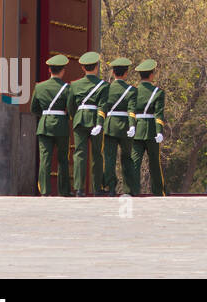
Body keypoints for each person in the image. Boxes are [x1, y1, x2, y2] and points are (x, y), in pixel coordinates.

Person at [31, 53, 73, 197]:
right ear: (62, 71)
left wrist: (45, 115)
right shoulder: (67, 88)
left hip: (44, 125)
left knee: (45, 159)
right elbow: (71, 108)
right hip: (61, 126)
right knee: (63, 159)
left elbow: (33, 108)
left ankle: (44, 191)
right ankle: (64, 191)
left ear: (49, 70)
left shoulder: (39, 87)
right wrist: (66, 117)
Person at [67, 50, 108, 198]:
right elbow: (103, 106)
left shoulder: (74, 85)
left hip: (79, 120)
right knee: (97, 154)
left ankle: (79, 188)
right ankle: (97, 188)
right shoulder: (103, 85)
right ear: (96, 67)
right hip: (96, 120)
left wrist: (76, 117)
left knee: (79, 154)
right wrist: (99, 123)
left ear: (83, 68)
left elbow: (70, 105)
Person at [98, 57, 138, 196]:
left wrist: (99, 123)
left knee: (109, 158)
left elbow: (102, 107)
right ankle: (129, 189)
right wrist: (132, 126)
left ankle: (110, 188)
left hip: (110, 125)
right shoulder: (132, 90)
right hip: (126, 126)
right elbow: (132, 110)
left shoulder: (106, 88)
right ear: (126, 73)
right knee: (127, 158)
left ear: (113, 73)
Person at [128, 59, 166, 196]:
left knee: (134, 162)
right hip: (151, 130)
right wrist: (159, 131)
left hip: (136, 129)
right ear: (151, 75)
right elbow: (158, 114)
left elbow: (131, 111)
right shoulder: (158, 92)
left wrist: (131, 126)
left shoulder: (133, 91)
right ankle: (158, 192)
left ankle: (133, 190)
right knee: (155, 164)